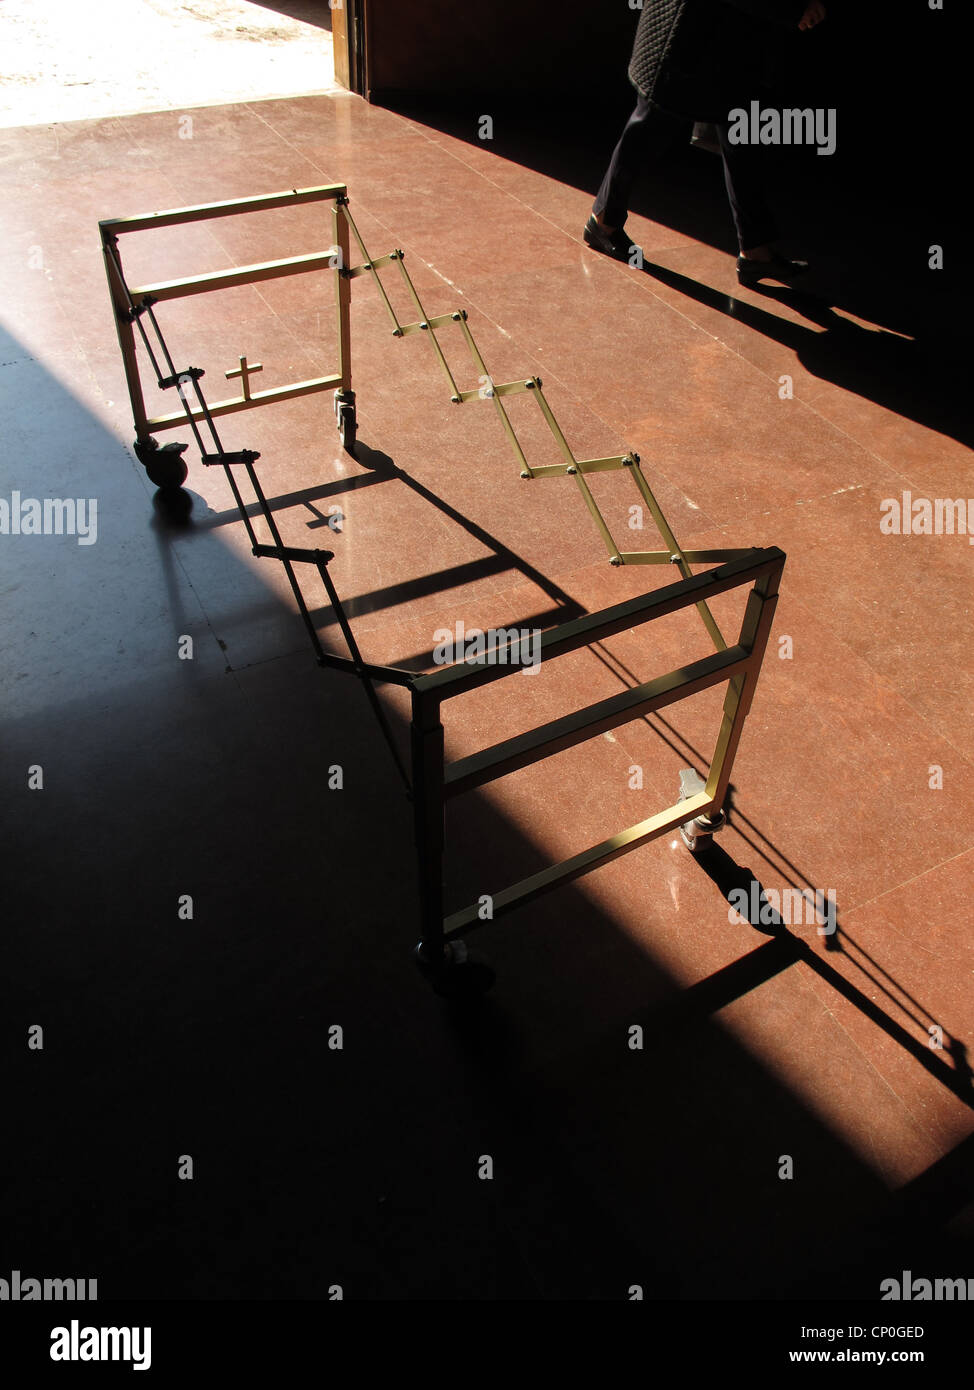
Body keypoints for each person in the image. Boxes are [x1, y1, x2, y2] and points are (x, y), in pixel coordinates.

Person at [585, 0, 827, 285]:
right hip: (683, 35)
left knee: (741, 137)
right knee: (651, 123)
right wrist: (791, 9)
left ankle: (755, 250)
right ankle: (603, 221)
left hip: (718, 40)